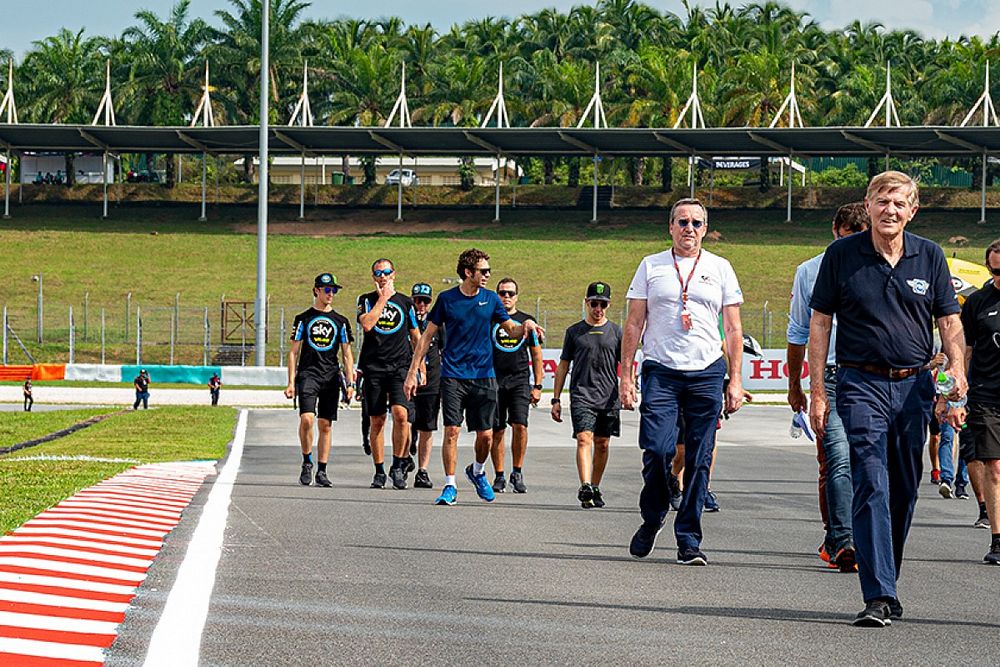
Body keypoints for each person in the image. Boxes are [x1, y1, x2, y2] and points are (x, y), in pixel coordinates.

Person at [808, 171, 966, 627]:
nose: (889, 210)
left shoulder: (929, 255)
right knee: (871, 479)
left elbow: (949, 321)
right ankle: (877, 593)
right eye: (882, 201)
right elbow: (820, 322)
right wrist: (817, 392)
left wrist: (957, 370)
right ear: (869, 205)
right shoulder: (842, 255)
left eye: (899, 203)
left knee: (904, 487)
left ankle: (886, 577)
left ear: (912, 211)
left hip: (914, 386)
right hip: (861, 383)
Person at [621, 197, 745, 566]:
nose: (689, 228)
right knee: (658, 450)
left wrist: (735, 380)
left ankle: (689, 539)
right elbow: (634, 324)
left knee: (699, 458)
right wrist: (626, 375)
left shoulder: (720, 267)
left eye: (696, 223)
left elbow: (733, 329)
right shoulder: (651, 265)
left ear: (705, 229)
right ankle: (653, 516)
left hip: (706, 372)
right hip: (661, 370)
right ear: (670, 227)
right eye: (682, 222)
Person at [403, 248, 545, 506]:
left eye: (489, 270)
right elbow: (426, 337)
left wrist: (526, 325)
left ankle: (477, 471)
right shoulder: (447, 299)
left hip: (483, 376)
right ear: (468, 272)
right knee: (452, 430)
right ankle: (450, 485)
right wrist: (413, 372)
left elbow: (511, 330)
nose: (488, 275)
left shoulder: (491, 299)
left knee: (486, 436)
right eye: (483, 271)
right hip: (453, 375)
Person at [786, 201, 869, 572]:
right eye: (845, 238)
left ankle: (843, 536)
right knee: (836, 458)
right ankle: (843, 540)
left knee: (867, 462)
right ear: (835, 232)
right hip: (831, 377)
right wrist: (796, 386)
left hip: (870, 376)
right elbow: (797, 332)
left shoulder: (878, 267)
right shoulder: (810, 271)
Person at [552, 282, 622, 508]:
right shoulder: (574, 332)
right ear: (586, 303)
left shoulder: (616, 332)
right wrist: (556, 399)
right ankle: (584, 485)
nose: (598, 308)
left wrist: (629, 388)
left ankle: (595, 486)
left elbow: (626, 364)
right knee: (584, 439)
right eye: (594, 304)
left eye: (603, 304)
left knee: (602, 444)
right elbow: (563, 366)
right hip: (582, 395)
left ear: (608, 305)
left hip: (608, 397)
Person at [285, 273, 355, 488]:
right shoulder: (303, 319)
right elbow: (293, 352)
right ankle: (307, 461)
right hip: (308, 374)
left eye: (333, 290)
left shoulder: (341, 321)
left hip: (331, 376)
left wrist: (350, 382)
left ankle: (322, 470)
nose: (330, 294)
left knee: (325, 424)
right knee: (307, 419)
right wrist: (290, 382)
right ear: (316, 290)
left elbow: (347, 354)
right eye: (327, 290)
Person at [356, 259, 421, 490]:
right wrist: (383, 298)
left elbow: (416, 336)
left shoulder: (406, 302)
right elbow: (367, 324)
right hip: (374, 367)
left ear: (394, 274)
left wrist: (419, 367)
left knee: (401, 415)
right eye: (378, 273)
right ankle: (379, 470)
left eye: (386, 272)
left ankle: (398, 465)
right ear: (373, 276)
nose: (382, 276)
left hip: (399, 366)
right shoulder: (366, 300)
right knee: (377, 420)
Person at [958, 239, 1000, 565]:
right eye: (995, 270)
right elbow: (965, 350)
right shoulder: (976, 303)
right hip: (986, 394)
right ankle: (998, 540)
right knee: (994, 467)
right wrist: (956, 393)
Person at [490, 277, 544, 494]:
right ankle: (499, 475)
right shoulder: (490, 319)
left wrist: (538, 385)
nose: (506, 297)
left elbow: (537, 355)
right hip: (494, 380)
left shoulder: (526, 321)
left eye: (510, 293)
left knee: (520, 425)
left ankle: (517, 472)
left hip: (519, 380)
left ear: (516, 297)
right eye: (502, 293)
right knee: (497, 430)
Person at [411, 282, 445, 489]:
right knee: (406, 420)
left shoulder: (437, 322)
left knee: (427, 426)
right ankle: (403, 456)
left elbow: (445, 350)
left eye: (425, 301)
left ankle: (422, 470)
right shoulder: (407, 319)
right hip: (408, 378)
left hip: (431, 380)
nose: (421, 304)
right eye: (417, 300)